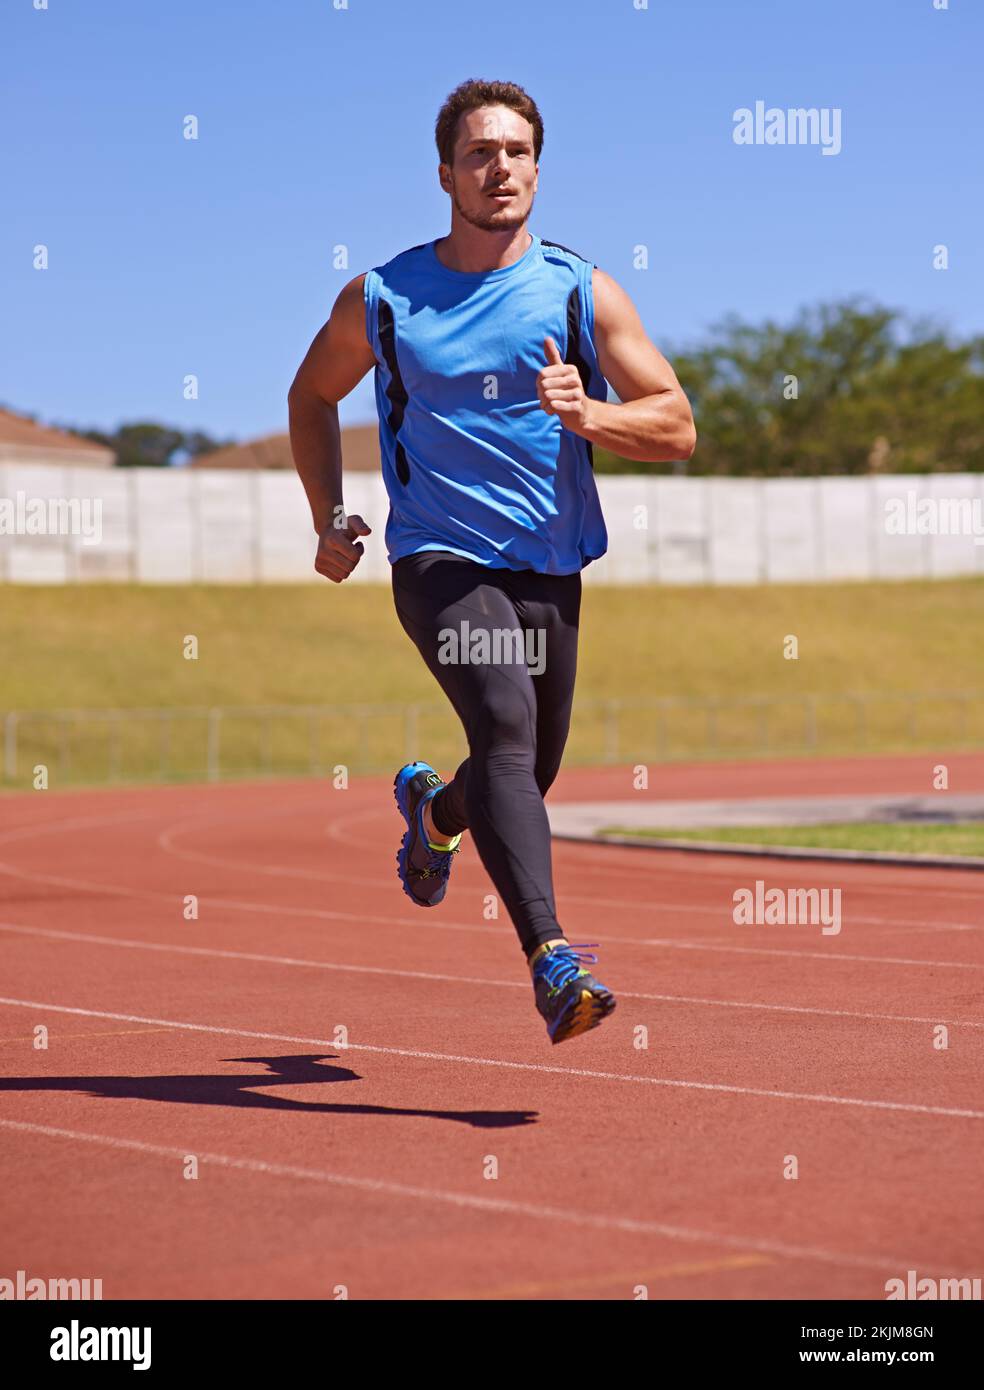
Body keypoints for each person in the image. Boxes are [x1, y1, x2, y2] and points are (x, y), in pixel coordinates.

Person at [288, 78, 695, 1044]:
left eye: (516, 152)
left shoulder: (580, 289)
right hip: (438, 559)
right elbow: (311, 396)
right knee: (506, 726)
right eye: (479, 153)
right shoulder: (384, 297)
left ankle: (437, 812)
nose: (499, 168)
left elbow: (676, 424)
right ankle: (553, 961)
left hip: (548, 565)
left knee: (527, 767)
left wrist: (590, 415)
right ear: (445, 175)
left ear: (538, 170)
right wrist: (329, 515)